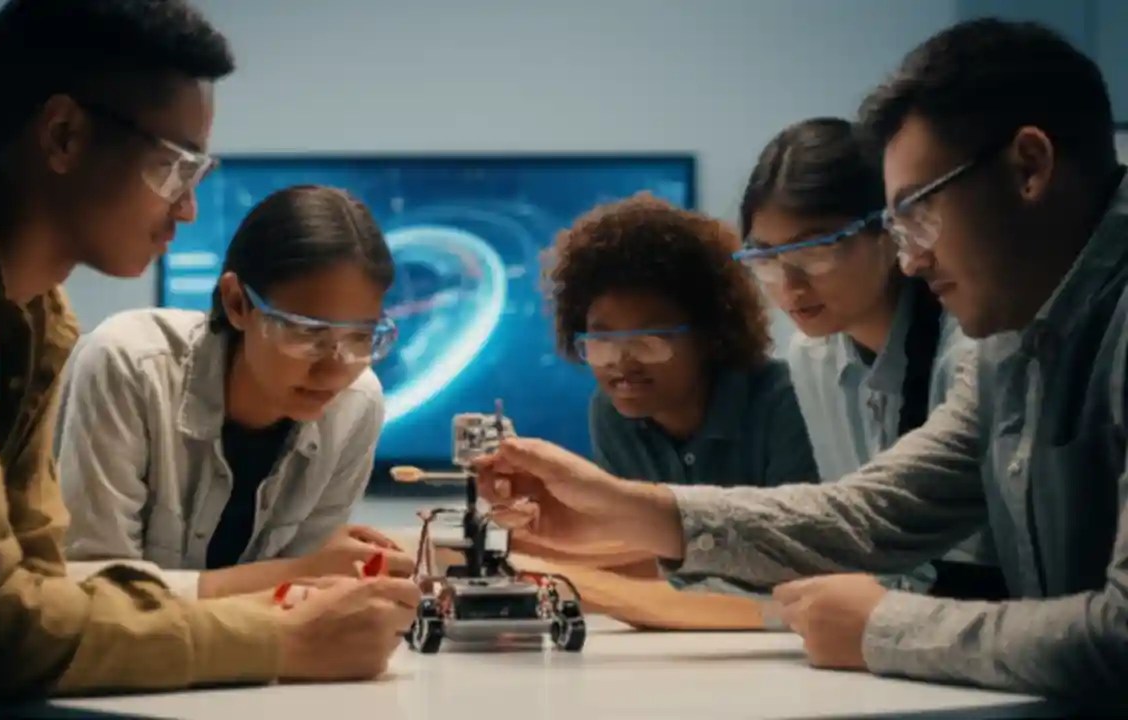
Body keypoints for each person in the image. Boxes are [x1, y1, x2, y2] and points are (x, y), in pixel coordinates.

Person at [477, 18, 1127, 703]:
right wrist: (625, 507)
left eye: (918, 214)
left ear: (1029, 168)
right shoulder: (1008, 339)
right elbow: (874, 514)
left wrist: (883, 627)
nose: (911, 258)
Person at [0, 1, 415, 714]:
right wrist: (281, 639)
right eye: (174, 168)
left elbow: (41, 587)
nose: (186, 211)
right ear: (64, 135)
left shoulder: (30, 307)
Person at [57, 185, 414, 599]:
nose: (335, 369)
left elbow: (306, 601)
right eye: (308, 332)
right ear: (237, 303)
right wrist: (298, 573)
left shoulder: (357, 403)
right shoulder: (130, 365)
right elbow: (94, 591)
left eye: (361, 337)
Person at [508, 194, 816, 628]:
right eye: (601, 340)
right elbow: (661, 558)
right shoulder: (613, 415)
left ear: (711, 334)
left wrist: (569, 583)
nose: (620, 362)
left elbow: (789, 583)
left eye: (648, 340)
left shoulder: (788, 403)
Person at [734, 117, 1002, 599]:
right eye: (766, 260)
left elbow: (963, 551)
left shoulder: (968, 344)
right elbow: (854, 535)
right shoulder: (811, 355)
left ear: (889, 232)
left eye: (815, 252)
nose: (790, 287)